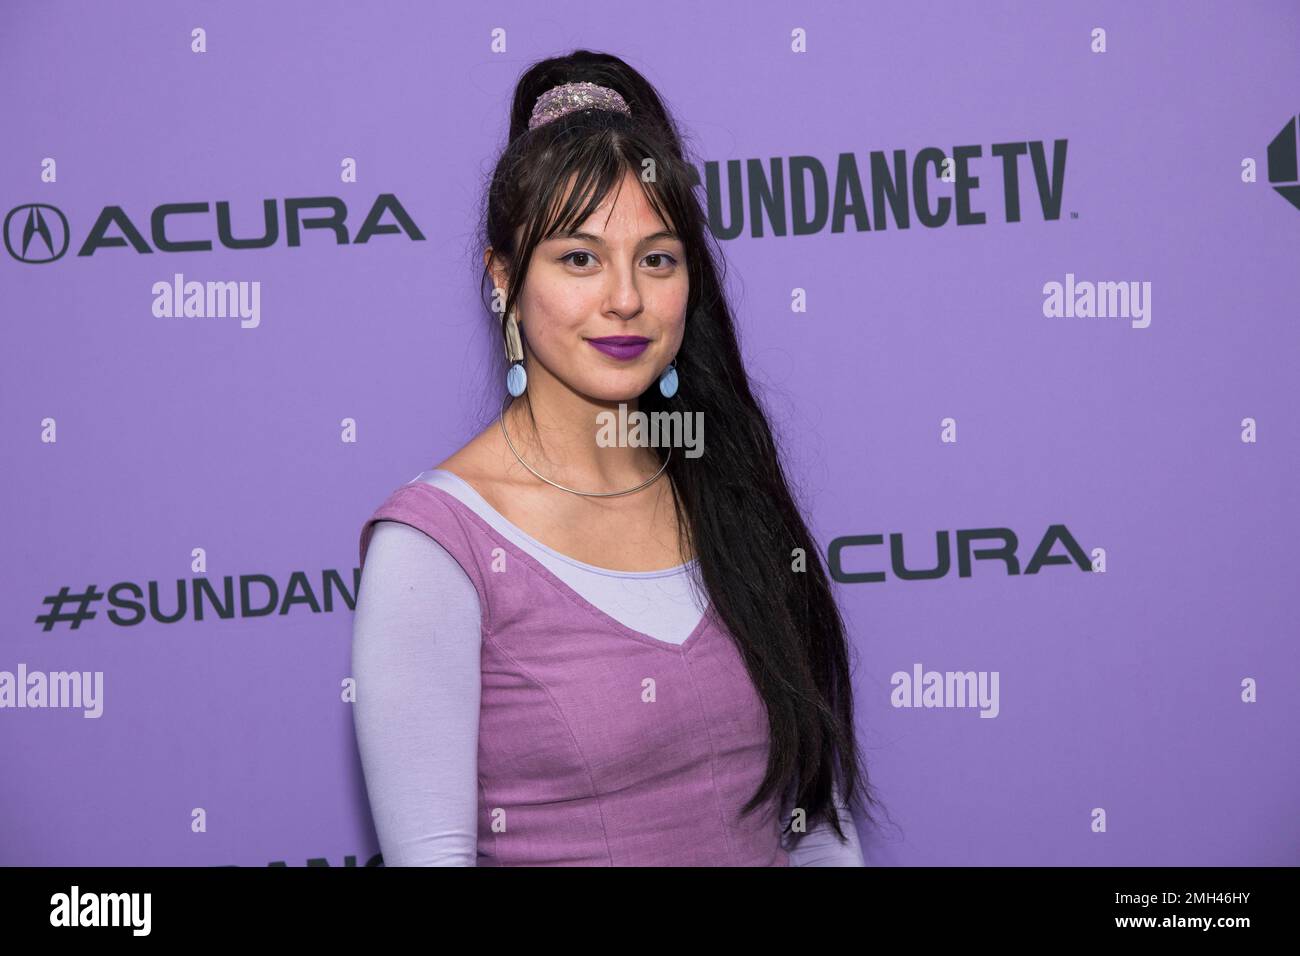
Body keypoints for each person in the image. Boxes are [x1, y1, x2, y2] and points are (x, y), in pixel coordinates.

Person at [351, 49, 882, 866]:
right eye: (579, 258)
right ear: (504, 279)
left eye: (657, 258)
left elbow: (816, 823)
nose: (626, 297)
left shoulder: (729, 489)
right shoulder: (433, 548)